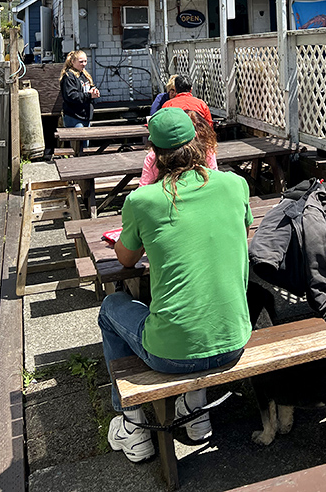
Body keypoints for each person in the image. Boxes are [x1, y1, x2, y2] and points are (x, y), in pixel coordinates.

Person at [98, 107, 253, 463]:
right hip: (234, 340)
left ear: (155, 154)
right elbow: (238, 238)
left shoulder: (142, 201)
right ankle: (196, 414)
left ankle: (132, 424)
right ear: (198, 145)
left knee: (111, 309)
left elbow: (124, 260)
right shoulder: (235, 184)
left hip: (171, 353)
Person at [139, 109, 218, 186]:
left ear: (153, 145)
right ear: (195, 135)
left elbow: (143, 187)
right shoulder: (226, 181)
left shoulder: (152, 157)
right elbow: (214, 175)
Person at [59, 50, 100, 129]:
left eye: (85, 61)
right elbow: (71, 96)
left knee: (86, 140)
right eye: (81, 62)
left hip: (85, 116)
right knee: (78, 140)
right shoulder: (69, 76)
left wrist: (94, 92)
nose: (84, 64)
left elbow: (87, 90)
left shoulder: (85, 75)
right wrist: (89, 95)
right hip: (74, 116)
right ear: (72, 62)